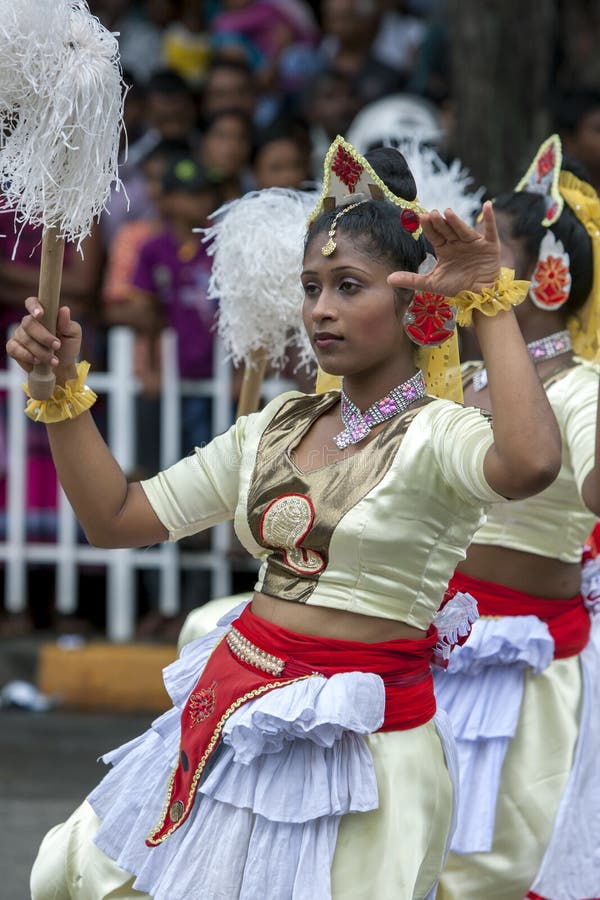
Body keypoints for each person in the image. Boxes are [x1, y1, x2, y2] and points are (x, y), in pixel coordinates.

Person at [17, 137, 562, 900]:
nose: (321, 310)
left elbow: (533, 463)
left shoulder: (440, 433)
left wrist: (491, 304)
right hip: (234, 716)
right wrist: (57, 391)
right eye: (311, 287)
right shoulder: (274, 426)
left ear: (414, 303)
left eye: (348, 286)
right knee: (73, 871)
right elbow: (117, 517)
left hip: (362, 756)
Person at [435, 135, 600, 900]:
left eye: (491, 245)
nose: (469, 253)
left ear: (549, 275)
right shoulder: (452, 381)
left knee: (504, 869)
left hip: (530, 672)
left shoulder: (583, 390)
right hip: (420, 648)